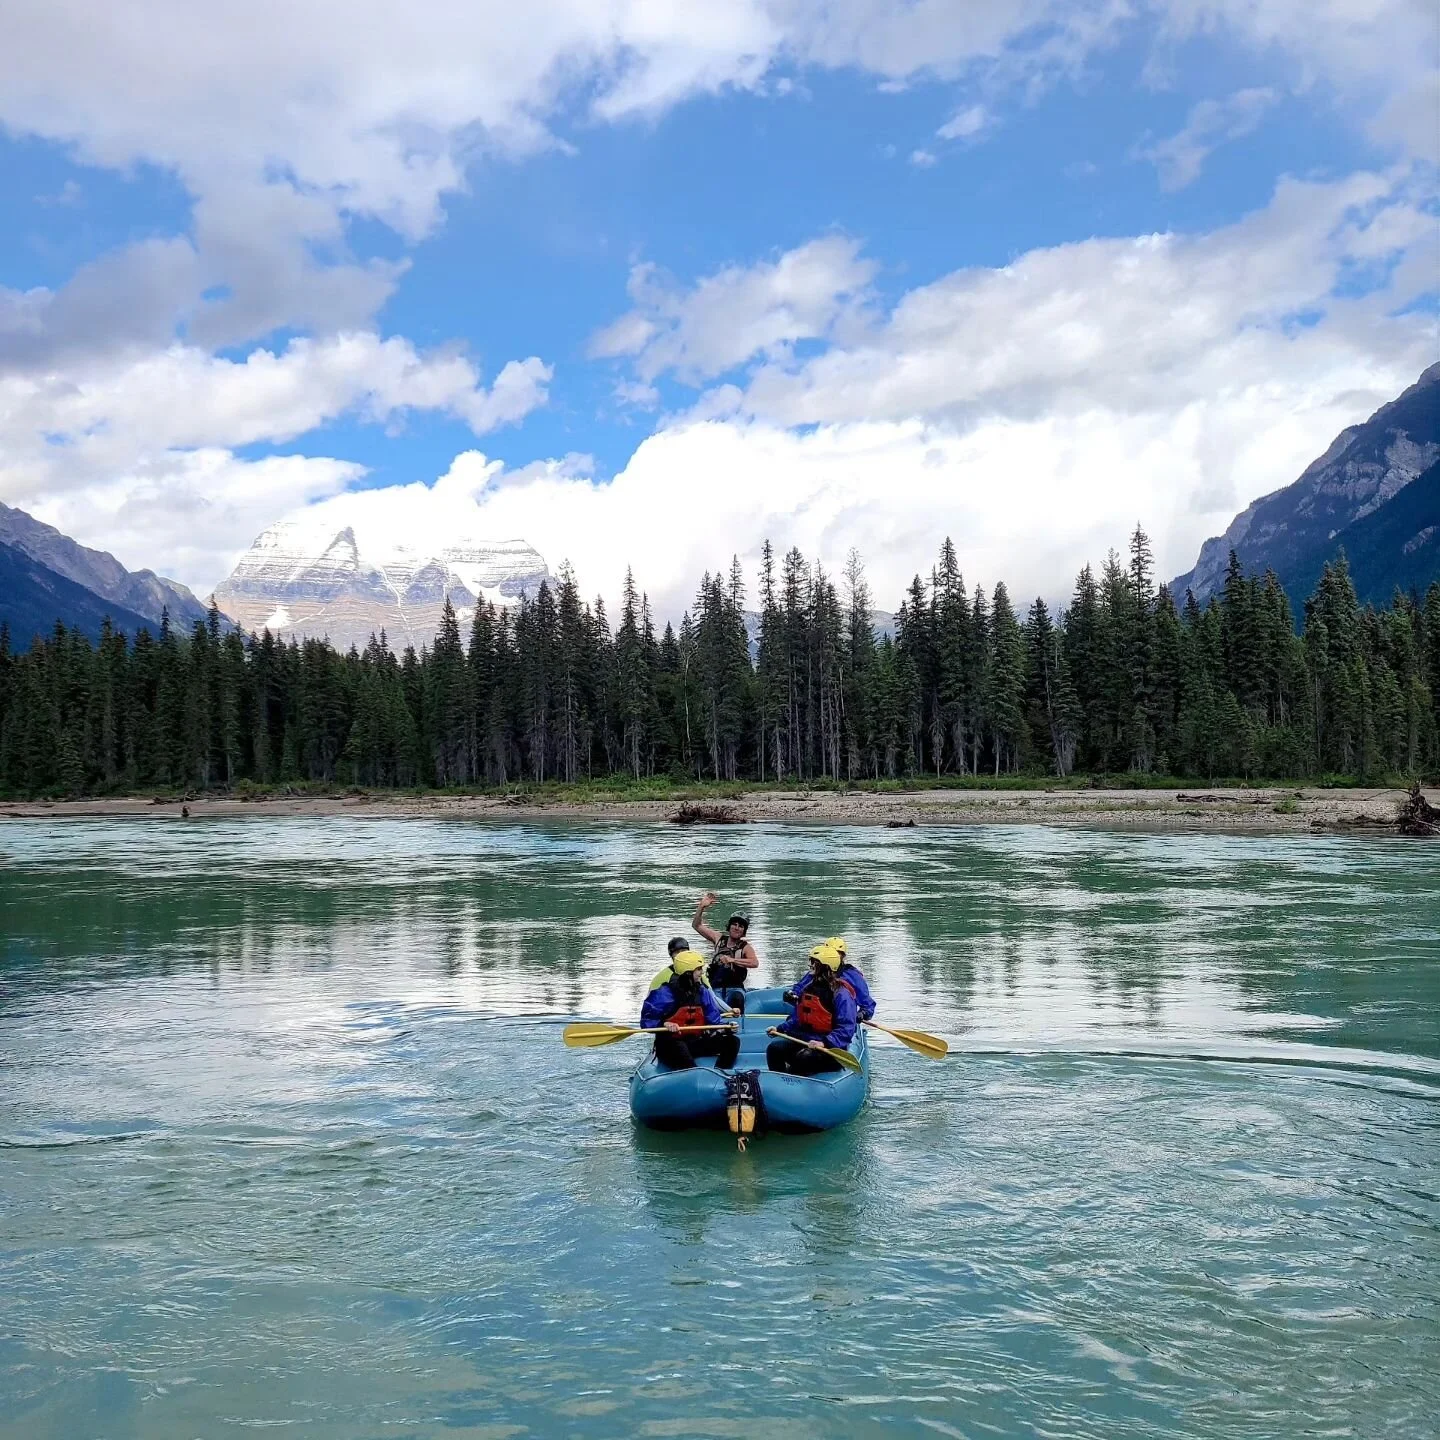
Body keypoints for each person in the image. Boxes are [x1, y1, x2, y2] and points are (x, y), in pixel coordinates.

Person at [641, 950, 740, 1071]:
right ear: (687, 972)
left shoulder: (702, 991)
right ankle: (692, 1074)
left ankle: (720, 1073)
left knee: (732, 1041)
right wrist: (664, 1024)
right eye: (698, 969)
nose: (701, 972)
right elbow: (646, 1021)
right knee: (679, 1046)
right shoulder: (664, 993)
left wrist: (727, 1027)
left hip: (694, 1041)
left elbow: (714, 1021)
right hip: (671, 1044)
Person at [767, 944, 857, 1075]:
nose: (811, 966)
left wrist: (824, 1043)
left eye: (815, 963)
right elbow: (798, 1018)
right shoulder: (808, 988)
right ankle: (782, 1082)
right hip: (806, 1041)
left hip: (830, 1048)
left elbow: (847, 1028)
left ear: (826, 966)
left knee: (804, 1057)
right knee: (774, 1049)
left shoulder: (841, 994)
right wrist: (780, 1028)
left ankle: (796, 1081)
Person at [692, 892, 758, 1011]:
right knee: (709, 1004)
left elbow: (754, 963)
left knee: (737, 999)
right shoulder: (718, 939)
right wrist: (701, 907)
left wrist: (732, 960)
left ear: (744, 931)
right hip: (715, 988)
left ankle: (737, 1024)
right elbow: (696, 925)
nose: (737, 928)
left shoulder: (745, 947)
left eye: (741, 926)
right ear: (729, 926)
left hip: (735, 989)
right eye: (734, 924)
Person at [824, 935, 876, 1022]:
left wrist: (863, 1013)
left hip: (842, 1022)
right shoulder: (818, 972)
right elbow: (799, 988)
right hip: (819, 1018)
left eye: (836, 953)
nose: (833, 956)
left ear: (843, 956)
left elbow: (867, 1004)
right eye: (830, 953)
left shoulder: (853, 976)